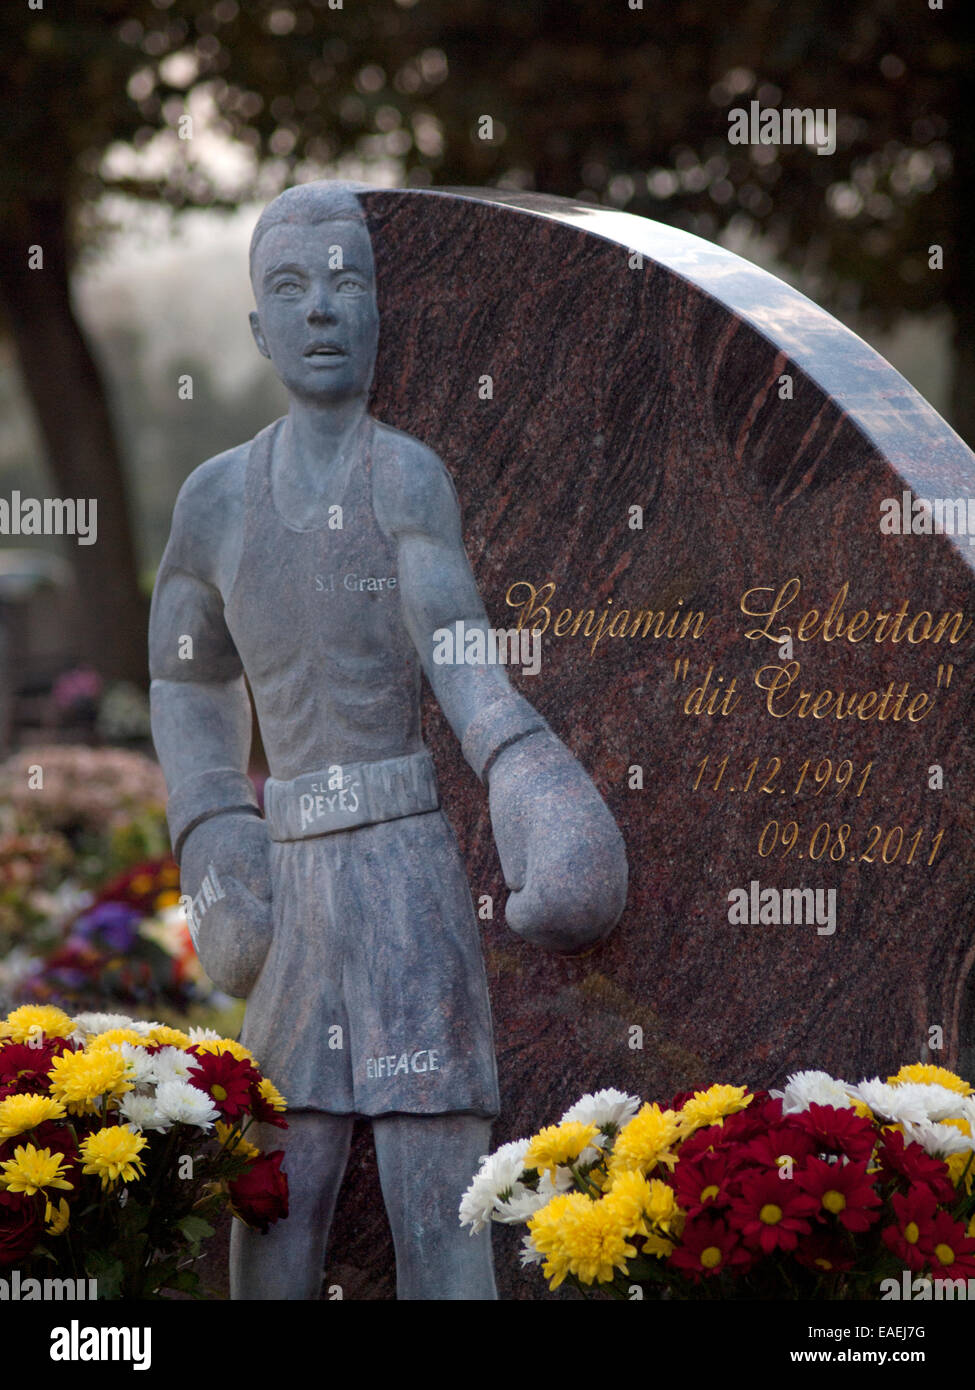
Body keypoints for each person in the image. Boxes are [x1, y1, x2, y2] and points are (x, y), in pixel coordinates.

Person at [148, 181, 627, 1299]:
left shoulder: (405, 473)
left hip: (408, 873)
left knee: (442, 1193)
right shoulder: (213, 501)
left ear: (376, 314)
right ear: (259, 326)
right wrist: (212, 820)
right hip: (292, 876)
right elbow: (187, 672)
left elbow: (456, 643)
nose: (321, 309)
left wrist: (526, 773)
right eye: (289, 287)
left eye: (346, 283)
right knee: (275, 1185)